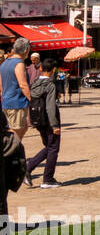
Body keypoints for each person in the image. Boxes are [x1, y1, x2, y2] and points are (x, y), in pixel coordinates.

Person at [24, 58, 63, 188]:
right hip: (48, 120)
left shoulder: (35, 83)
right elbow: (50, 106)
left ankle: (28, 168)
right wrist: (55, 125)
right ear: (53, 70)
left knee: (49, 147)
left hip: (37, 119)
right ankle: (47, 178)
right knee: (53, 148)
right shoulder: (50, 85)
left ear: (40, 69)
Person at [1, 39, 32, 141]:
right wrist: (32, 99)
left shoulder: (4, 64)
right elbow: (23, 84)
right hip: (17, 103)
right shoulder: (19, 64)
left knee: (19, 129)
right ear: (26, 50)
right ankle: (12, 154)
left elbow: (1, 85)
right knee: (16, 132)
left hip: (6, 102)